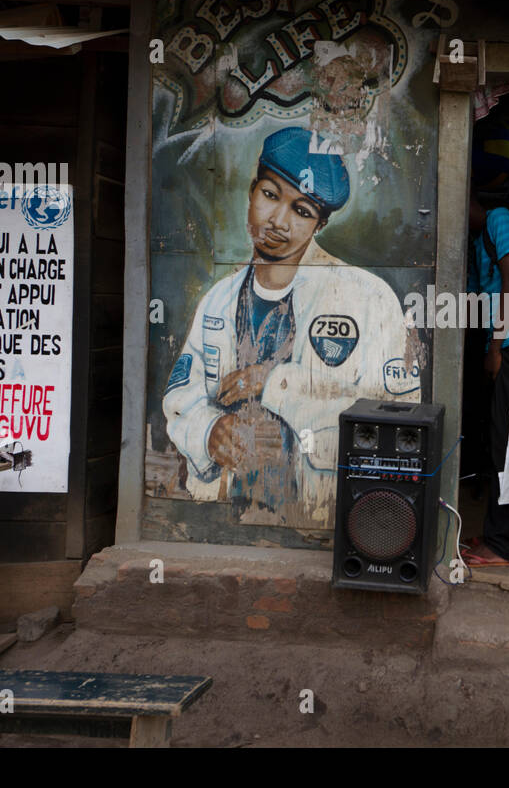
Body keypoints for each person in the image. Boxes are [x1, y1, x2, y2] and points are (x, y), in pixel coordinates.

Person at [163, 126, 418, 525]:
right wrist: (209, 430)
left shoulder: (369, 298)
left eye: (301, 211)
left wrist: (278, 382)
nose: (279, 221)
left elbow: (399, 412)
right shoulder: (218, 299)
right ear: (251, 192)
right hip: (224, 514)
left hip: (322, 513)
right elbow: (182, 397)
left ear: (319, 225)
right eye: (270, 195)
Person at [461, 133, 509, 567]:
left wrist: (494, 345)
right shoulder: (476, 240)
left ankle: (500, 545)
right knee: (493, 438)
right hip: (500, 341)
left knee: (504, 441)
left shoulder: (499, 219)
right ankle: (492, 533)